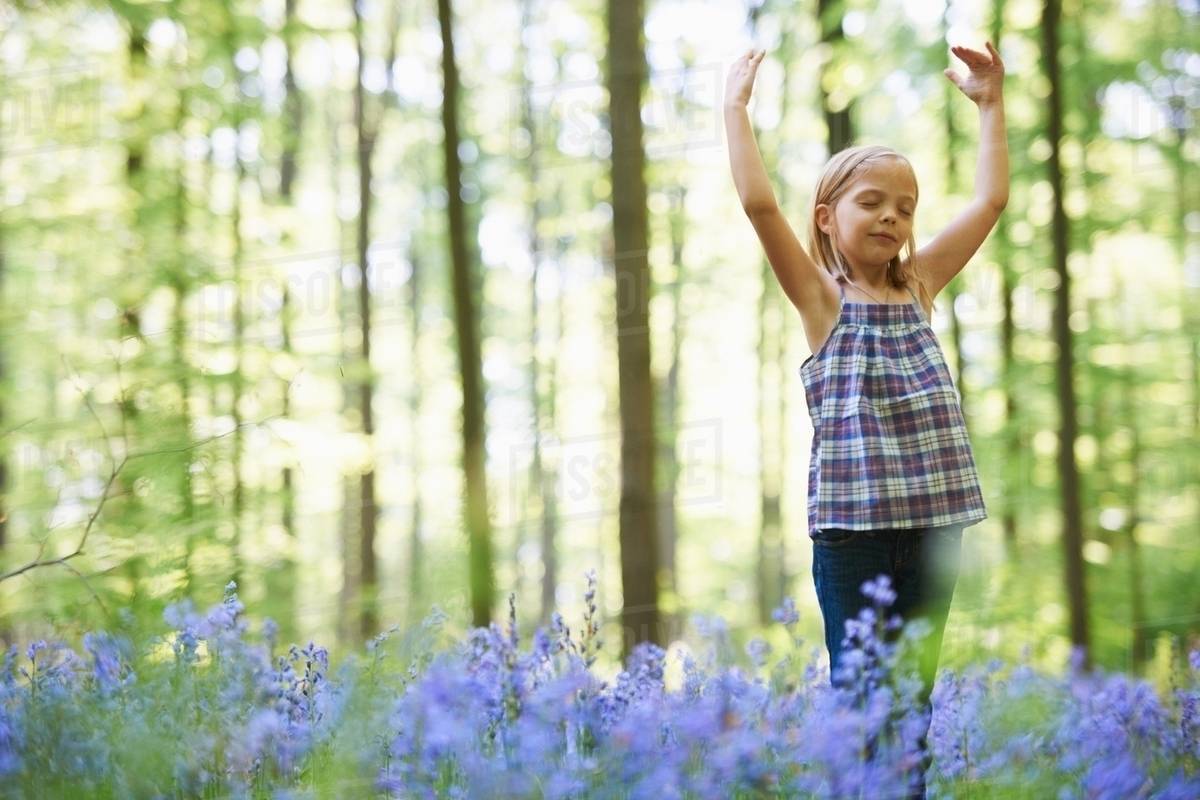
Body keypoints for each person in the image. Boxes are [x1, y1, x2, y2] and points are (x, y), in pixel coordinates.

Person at [724, 41, 1008, 799]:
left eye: (906, 207)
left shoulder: (920, 288)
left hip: (933, 527)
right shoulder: (823, 302)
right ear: (827, 216)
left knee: (910, 706)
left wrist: (990, 107)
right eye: (871, 202)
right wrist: (735, 109)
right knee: (861, 703)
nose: (892, 216)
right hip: (853, 532)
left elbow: (988, 204)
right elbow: (759, 205)